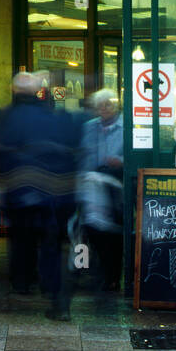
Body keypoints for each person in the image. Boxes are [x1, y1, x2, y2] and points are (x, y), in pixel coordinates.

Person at [0, 71, 80, 320]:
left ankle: (22, 283)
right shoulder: (56, 116)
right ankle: (56, 297)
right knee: (52, 244)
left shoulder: (7, 117)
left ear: (15, 91)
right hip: (58, 193)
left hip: (21, 191)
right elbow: (74, 148)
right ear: (40, 92)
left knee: (21, 239)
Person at [78, 88, 125, 291]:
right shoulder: (88, 127)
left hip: (116, 186)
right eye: (100, 105)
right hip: (91, 186)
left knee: (113, 234)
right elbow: (80, 154)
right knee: (92, 230)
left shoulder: (127, 128)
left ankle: (113, 275)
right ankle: (97, 269)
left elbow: (137, 154)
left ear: (116, 106)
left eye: (108, 104)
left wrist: (121, 161)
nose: (104, 108)